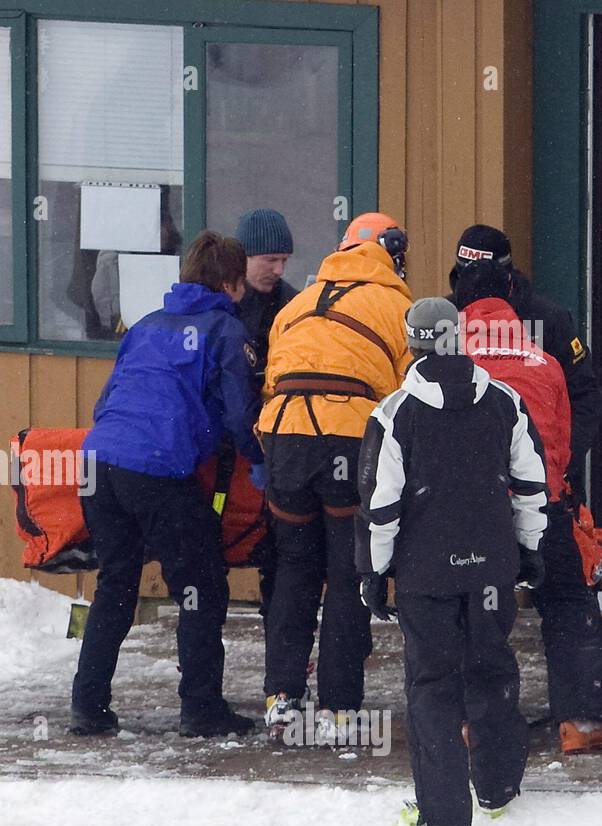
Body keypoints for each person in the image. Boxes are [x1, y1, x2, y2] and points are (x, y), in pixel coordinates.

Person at [357, 297, 548, 826]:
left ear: (411, 343)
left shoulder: (394, 414)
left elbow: (380, 508)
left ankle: (442, 815)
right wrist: (531, 548)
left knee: (433, 683)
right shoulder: (504, 401)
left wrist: (374, 573)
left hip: (426, 575)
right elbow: (532, 485)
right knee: (491, 668)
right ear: (458, 337)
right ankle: (497, 790)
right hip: (491, 567)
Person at [71, 230, 265, 738]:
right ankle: (201, 708)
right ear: (230, 284)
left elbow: (106, 401)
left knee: (115, 584)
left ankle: (88, 706)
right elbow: (243, 415)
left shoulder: (146, 325)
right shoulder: (225, 331)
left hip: (98, 461)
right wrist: (263, 466)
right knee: (200, 585)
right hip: (155, 470)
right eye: (242, 283)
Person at [256, 212, 413, 742]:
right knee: (349, 572)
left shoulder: (297, 303)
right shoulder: (399, 305)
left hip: (283, 434)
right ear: (392, 254)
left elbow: (273, 377)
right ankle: (340, 707)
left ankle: (281, 696)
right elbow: (407, 396)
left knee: (296, 566)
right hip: (349, 436)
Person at [454, 260, 602, 753]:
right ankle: (583, 721)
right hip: (543, 505)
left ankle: (478, 723)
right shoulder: (544, 363)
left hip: (472, 512)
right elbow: (564, 443)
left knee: (476, 608)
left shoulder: (445, 361)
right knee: (568, 600)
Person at [447, 224, 602, 488]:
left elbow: (584, 395)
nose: (470, 284)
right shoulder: (445, 319)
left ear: (506, 274)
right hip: (464, 479)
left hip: (540, 477)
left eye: (479, 275)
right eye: (463, 274)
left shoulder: (549, 320)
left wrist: (558, 463)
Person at [233, 208, 299, 385]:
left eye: (284, 260)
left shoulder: (294, 304)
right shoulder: (215, 301)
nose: (279, 270)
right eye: (271, 260)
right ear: (243, 257)